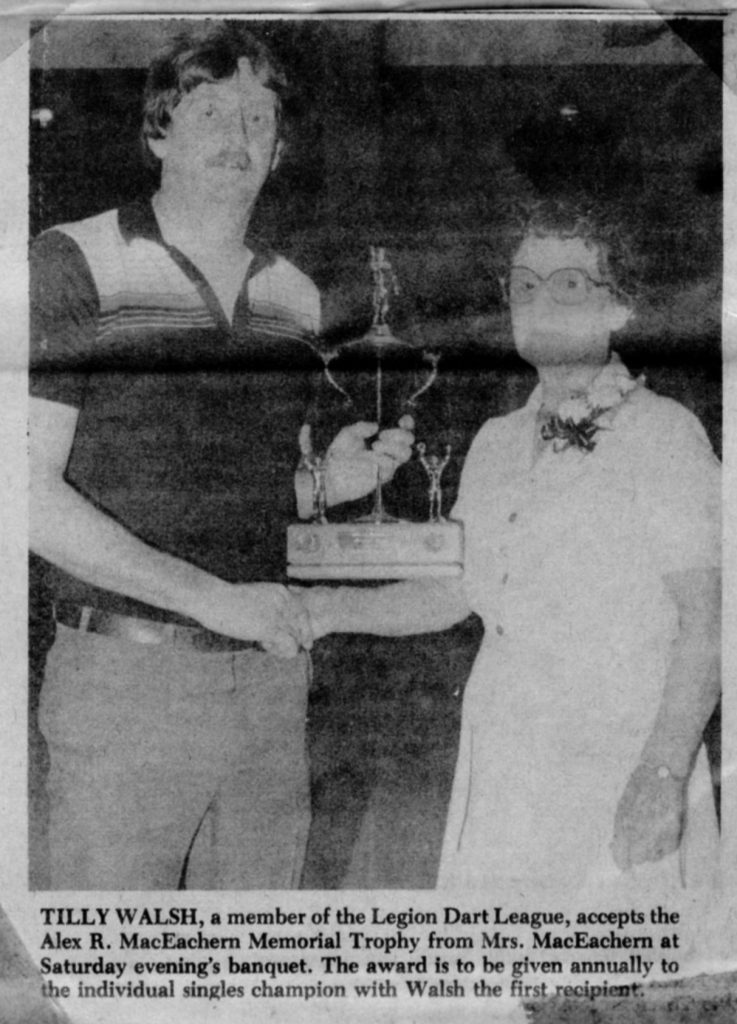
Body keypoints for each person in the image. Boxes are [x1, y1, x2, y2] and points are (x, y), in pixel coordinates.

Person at [29, 22, 413, 890]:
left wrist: (325, 485)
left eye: (257, 117)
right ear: (158, 129)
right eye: (208, 111)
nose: (235, 137)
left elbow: (241, 492)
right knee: (121, 982)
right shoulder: (69, 261)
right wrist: (215, 601)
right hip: (127, 679)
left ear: (279, 150)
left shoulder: (296, 296)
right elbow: (21, 494)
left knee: (250, 972)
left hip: (270, 677)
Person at [302, 197, 721, 902]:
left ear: (619, 307)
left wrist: (661, 774)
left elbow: (709, 623)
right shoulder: (497, 440)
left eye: (568, 285)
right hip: (504, 753)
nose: (540, 302)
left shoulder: (663, 434)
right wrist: (315, 608)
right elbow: (456, 592)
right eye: (524, 285)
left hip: (617, 756)